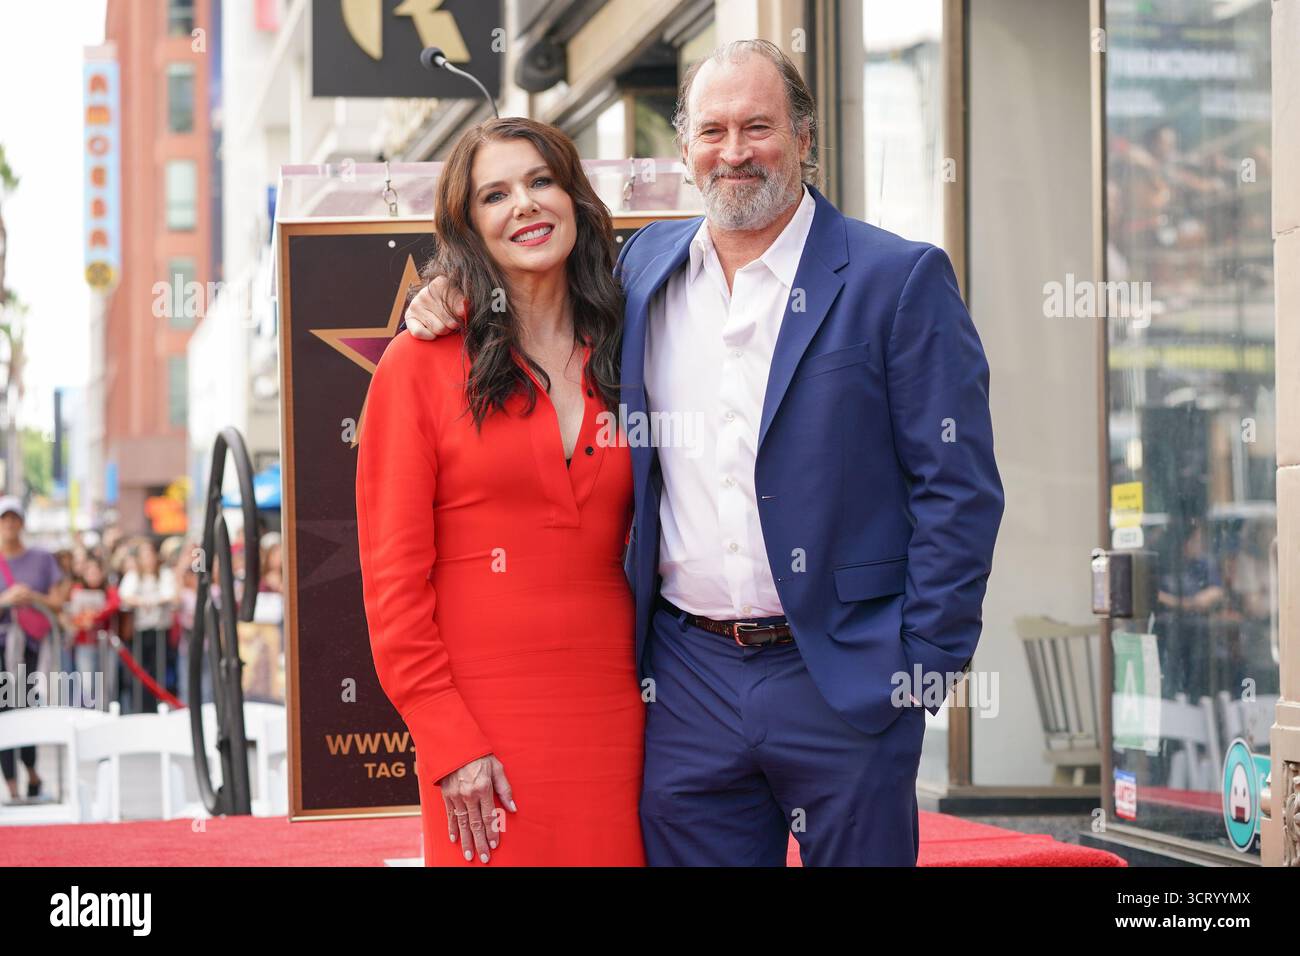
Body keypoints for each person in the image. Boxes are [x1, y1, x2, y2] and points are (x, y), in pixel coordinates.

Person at [405, 40, 1004, 866]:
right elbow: (527, 272)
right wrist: (448, 292)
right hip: (685, 683)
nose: (735, 151)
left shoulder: (895, 280)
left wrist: (920, 673)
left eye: (758, 127)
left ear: (804, 138)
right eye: (713, 130)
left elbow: (959, 489)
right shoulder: (641, 274)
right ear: (684, 149)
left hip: (845, 677)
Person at [356, 116, 644, 866]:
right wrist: (446, 739)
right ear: (468, 226)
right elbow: (393, 585)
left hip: (624, 720)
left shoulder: (632, 346)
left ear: (575, 199)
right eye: (496, 194)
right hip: (480, 729)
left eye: (542, 181)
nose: (525, 204)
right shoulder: (416, 368)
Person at [0, 495, 68, 799]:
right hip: (2, 646)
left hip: (29, 649)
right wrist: (6, 600)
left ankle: (31, 772)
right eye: (5, 519)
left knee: (25, 709)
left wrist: (31, 597)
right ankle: (12, 786)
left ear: (22, 522)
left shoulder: (41, 559)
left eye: (15, 518)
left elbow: (57, 601)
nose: (10, 525)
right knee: (2, 712)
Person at [117, 539, 178, 713]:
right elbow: (125, 596)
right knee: (141, 672)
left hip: (160, 630)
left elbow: (171, 595)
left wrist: (152, 601)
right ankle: (142, 709)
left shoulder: (164, 574)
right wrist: (144, 601)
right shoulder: (134, 576)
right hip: (140, 632)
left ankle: (160, 706)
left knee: (160, 671)